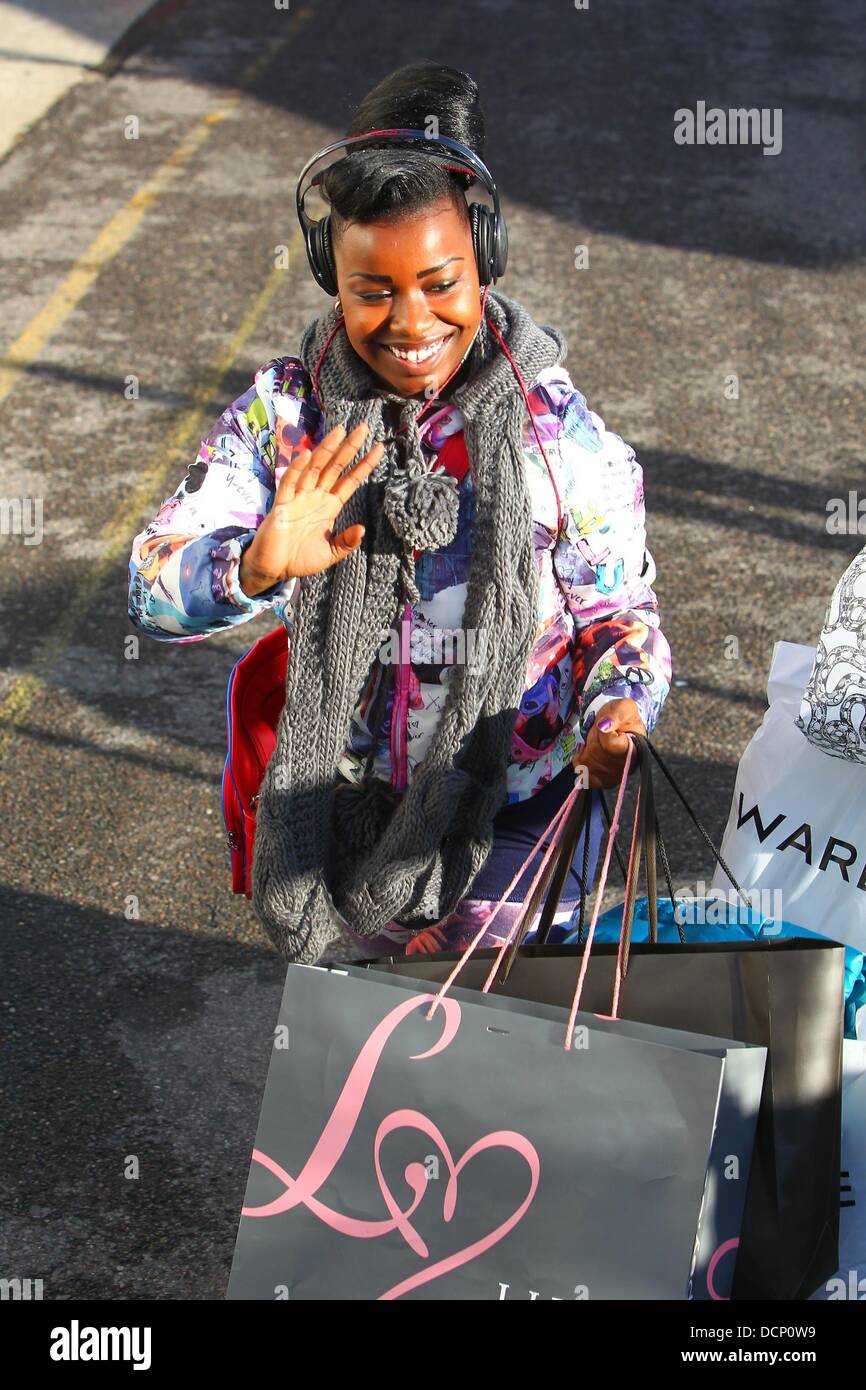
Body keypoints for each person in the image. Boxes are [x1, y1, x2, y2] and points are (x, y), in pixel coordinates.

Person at [127, 62, 672, 965]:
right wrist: (250, 567)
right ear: (328, 275)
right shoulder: (285, 415)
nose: (410, 321)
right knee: (368, 1082)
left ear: (484, 258)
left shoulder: (554, 430)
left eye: (440, 282)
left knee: (498, 1078)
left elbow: (618, 618)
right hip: (340, 828)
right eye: (371, 290)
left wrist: (619, 710)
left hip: (515, 818)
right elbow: (150, 587)